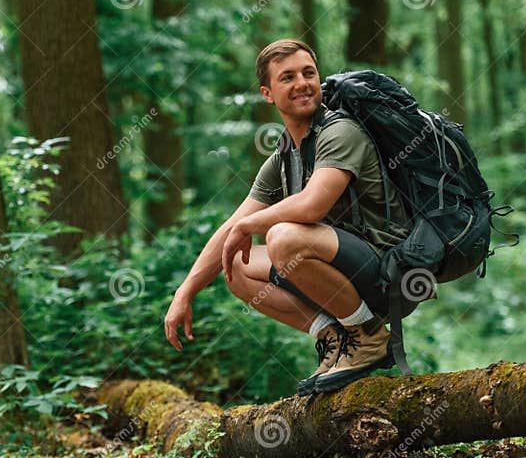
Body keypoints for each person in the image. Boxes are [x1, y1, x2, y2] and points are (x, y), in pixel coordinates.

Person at [163, 39, 412, 394]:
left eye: (309, 73)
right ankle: (337, 339)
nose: (302, 83)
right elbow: (231, 226)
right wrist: (184, 293)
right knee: (233, 263)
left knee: (282, 237)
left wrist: (252, 225)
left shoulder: (340, 132)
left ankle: (369, 338)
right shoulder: (284, 156)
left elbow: (312, 206)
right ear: (268, 93)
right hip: (342, 271)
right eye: (288, 77)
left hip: (386, 271)